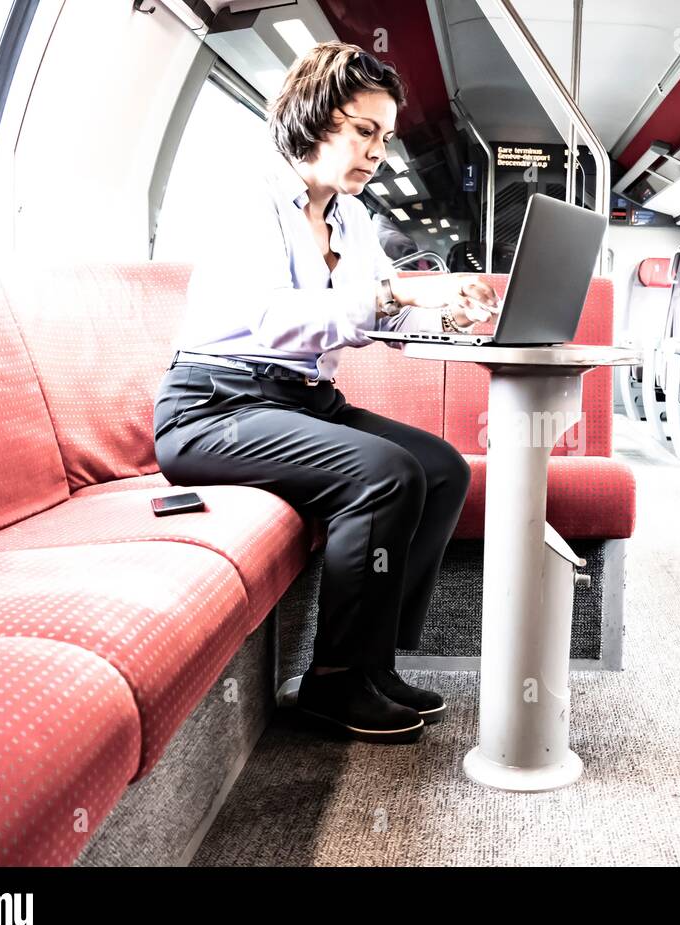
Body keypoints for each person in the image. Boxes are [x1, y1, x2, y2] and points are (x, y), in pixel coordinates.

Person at [153, 41, 500, 744]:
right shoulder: (247, 203)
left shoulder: (352, 219)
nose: (377, 152)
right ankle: (333, 683)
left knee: (441, 468)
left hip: (301, 401)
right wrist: (387, 291)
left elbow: (380, 314)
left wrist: (439, 310)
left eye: (385, 138)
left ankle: (377, 663)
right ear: (315, 119)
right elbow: (275, 319)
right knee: (383, 474)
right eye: (364, 132)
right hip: (215, 407)